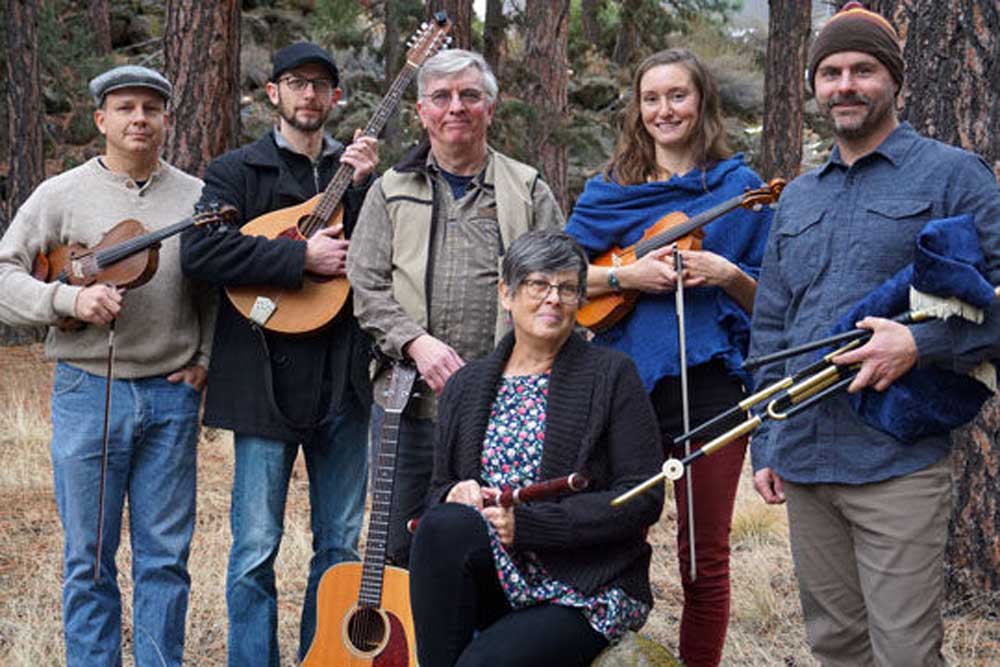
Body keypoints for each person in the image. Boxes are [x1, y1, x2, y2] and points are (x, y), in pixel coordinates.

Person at [749, 4, 1000, 666]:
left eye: (862, 69)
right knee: (836, 646)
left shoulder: (953, 175)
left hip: (896, 462)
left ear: (894, 79)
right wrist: (765, 441)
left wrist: (920, 345)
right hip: (804, 459)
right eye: (830, 72)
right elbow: (771, 325)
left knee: (906, 653)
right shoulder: (798, 197)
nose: (845, 85)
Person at [565, 48, 773, 667]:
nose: (664, 110)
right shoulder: (609, 192)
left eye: (677, 95)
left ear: (701, 101)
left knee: (702, 558)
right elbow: (558, 276)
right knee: (609, 537)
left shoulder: (742, 191)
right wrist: (628, 279)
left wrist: (727, 273)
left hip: (713, 388)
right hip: (622, 387)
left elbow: (773, 304)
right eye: (651, 98)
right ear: (638, 109)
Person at [0, 66, 213, 666]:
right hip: (88, 390)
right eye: (125, 108)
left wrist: (204, 358)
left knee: (165, 559)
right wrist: (67, 301)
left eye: (151, 108)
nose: (139, 118)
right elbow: (4, 275)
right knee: (89, 559)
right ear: (101, 120)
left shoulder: (196, 196)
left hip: (171, 395)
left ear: (166, 119)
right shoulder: (60, 194)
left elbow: (215, 289)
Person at [179, 42, 379, 665]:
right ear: (273, 93)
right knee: (254, 548)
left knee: (340, 543)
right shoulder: (236, 170)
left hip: (343, 381)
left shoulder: (359, 173)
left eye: (321, 84)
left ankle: (325, 656)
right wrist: (298, 256)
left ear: (336, 97)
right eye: (296, 83)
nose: (309, 95)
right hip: (261, 380)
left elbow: (380, 256)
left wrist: (364, 188)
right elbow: (201, 252)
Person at [347, 48, 564, 567]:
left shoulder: (527, 188)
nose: (456, 107)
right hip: (407, 405)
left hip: (504, 407)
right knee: (398, 547)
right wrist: (415, 343)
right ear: (422, 112)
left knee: (493, 547)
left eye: (470, 95)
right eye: (441, 97)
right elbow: (366, 285)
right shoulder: (390, 190)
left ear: (490, 108)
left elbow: (557, 286)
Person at [408, 230, 664, 666]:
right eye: (539, 284)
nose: (554, 299)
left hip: (585, 585)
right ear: (506, 294)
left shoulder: (612, 374)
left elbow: (644, 498)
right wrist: (454, 493)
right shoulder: (466, 386)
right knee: (441, 526)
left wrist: (530, 526)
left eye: (567, 288)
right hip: (499, 575)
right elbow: (437, 492)